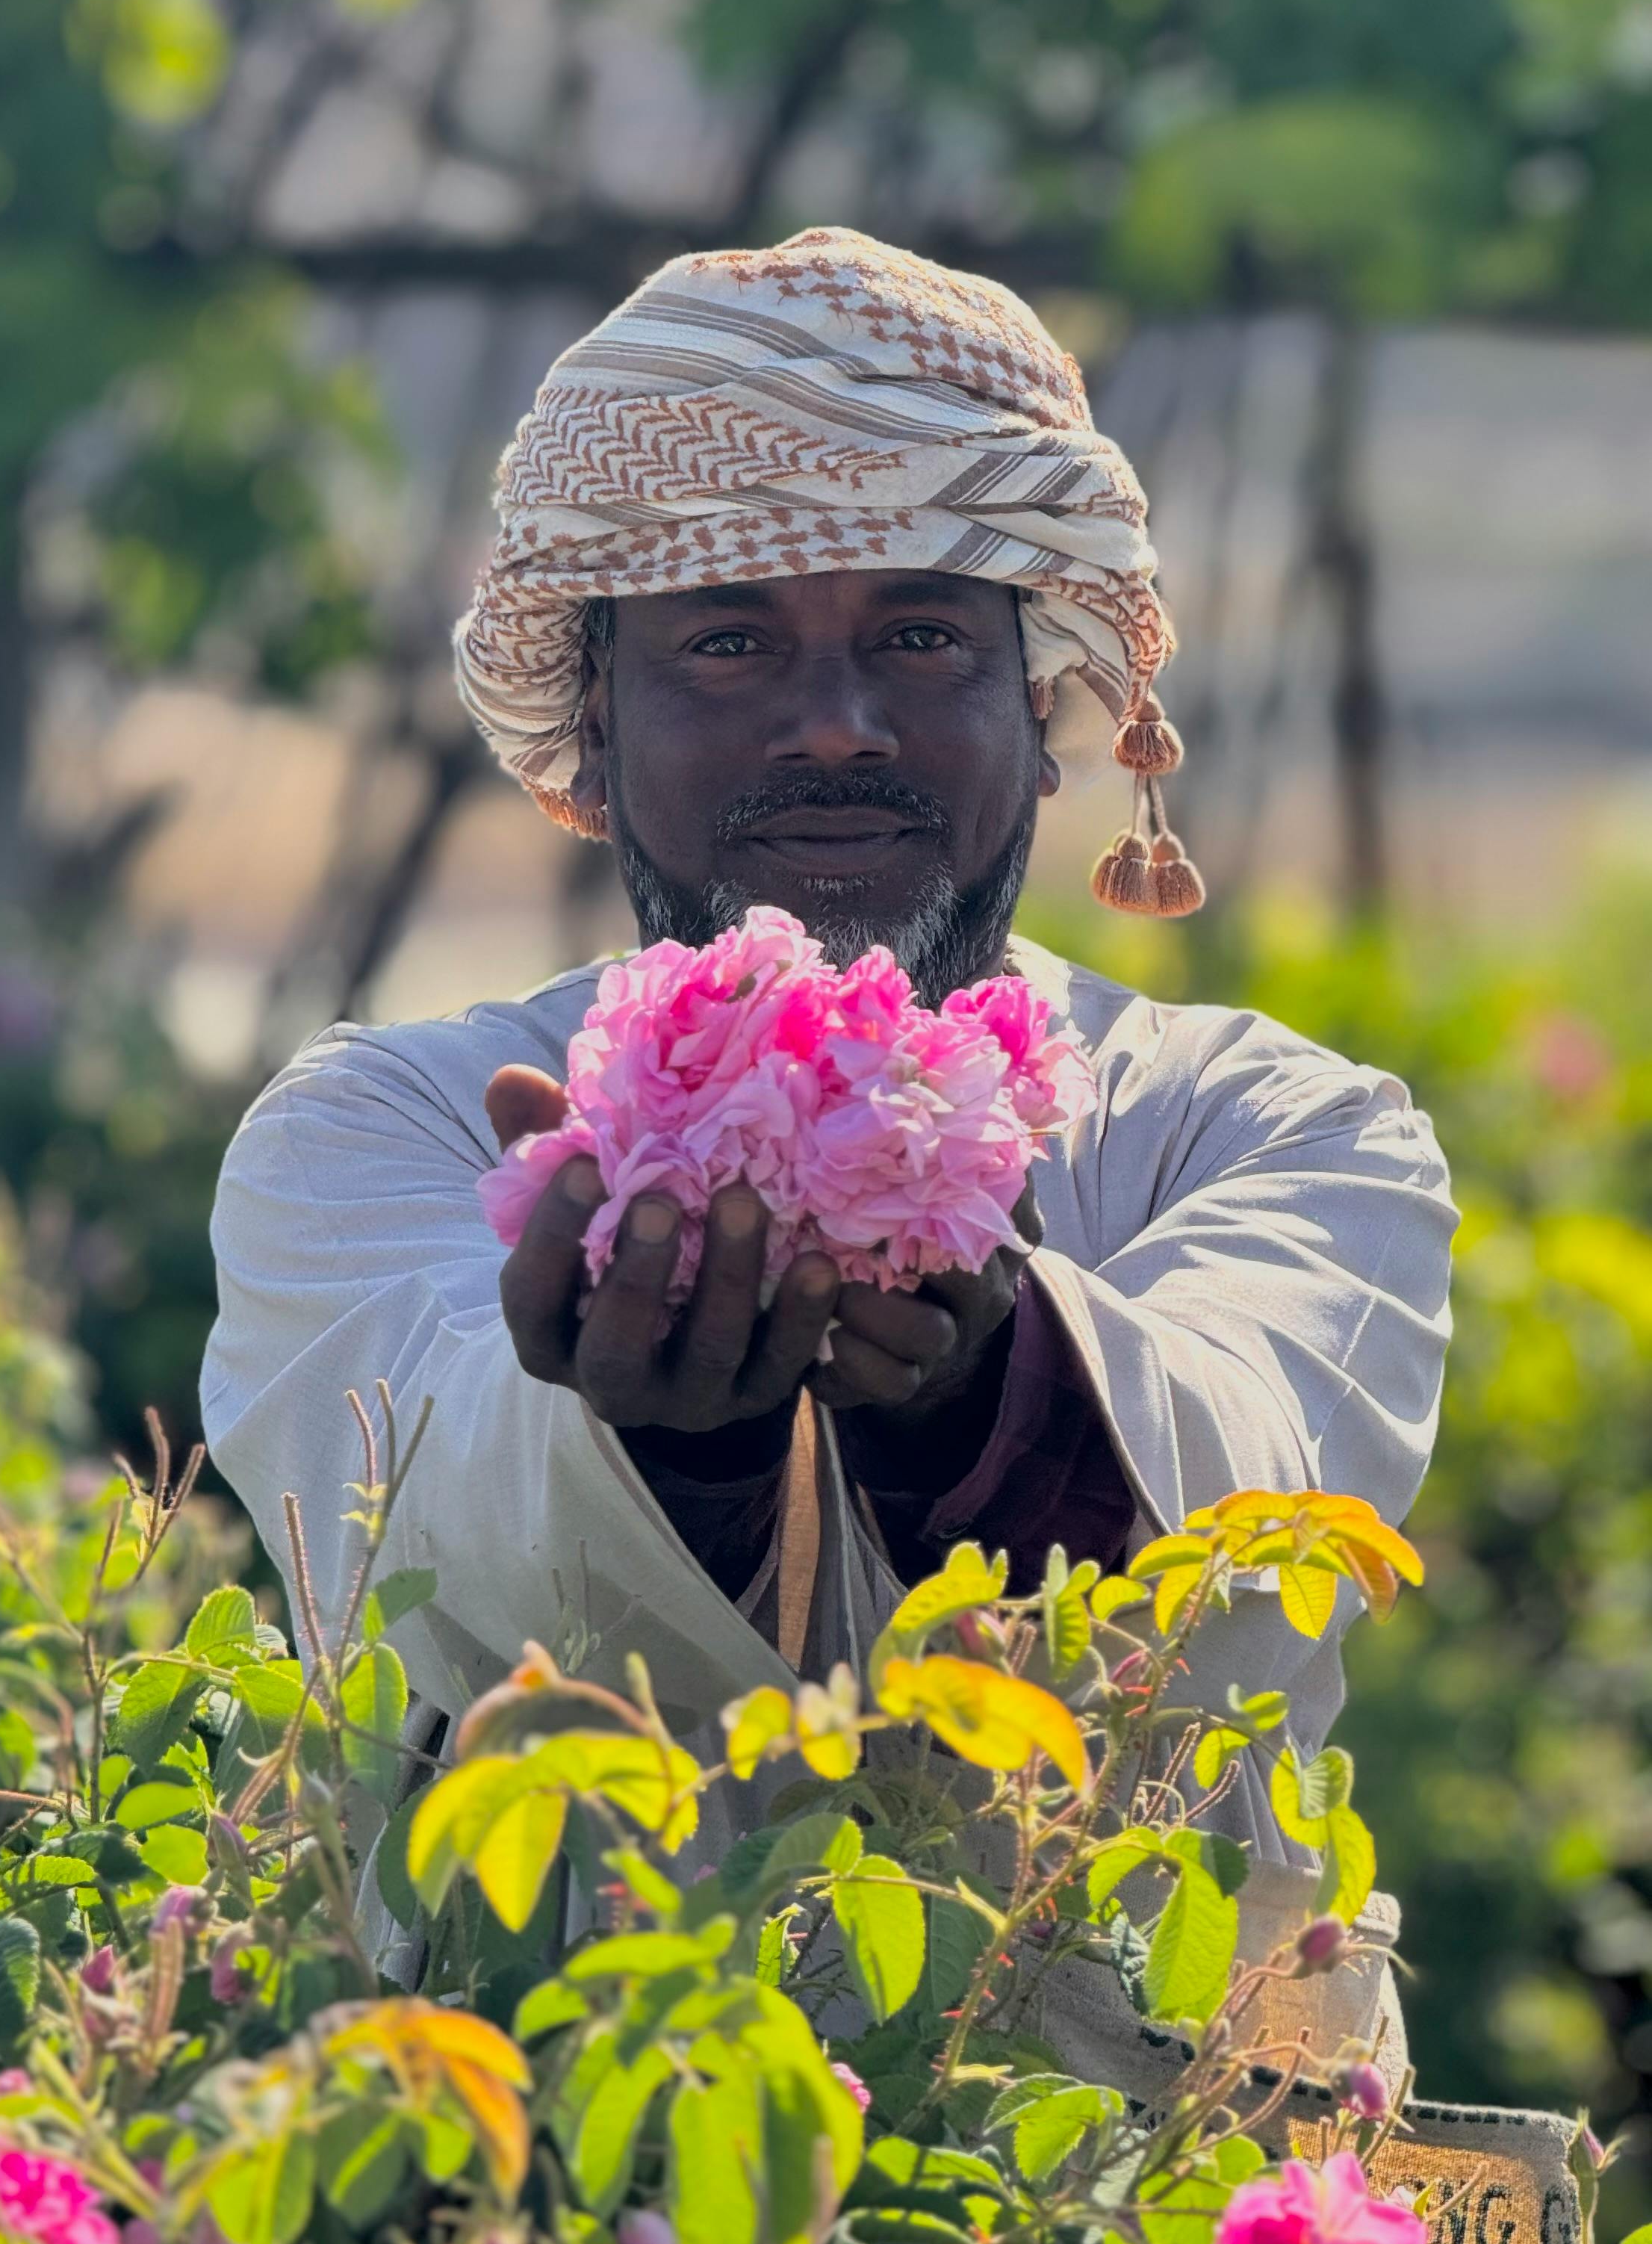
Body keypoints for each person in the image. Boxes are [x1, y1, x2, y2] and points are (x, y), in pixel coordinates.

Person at [199, 227, 1455, 1887]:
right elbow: (426, 1539)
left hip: (1141, 2142)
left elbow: (1238, 1554)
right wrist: (667, 1449)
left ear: (1047, 705)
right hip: (550, 2132)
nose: (838, 726)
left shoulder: (1285, 1132)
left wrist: (990, 1390)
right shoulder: (381, 1136)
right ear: (596, 725)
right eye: (729, 644)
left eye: (925, 639)